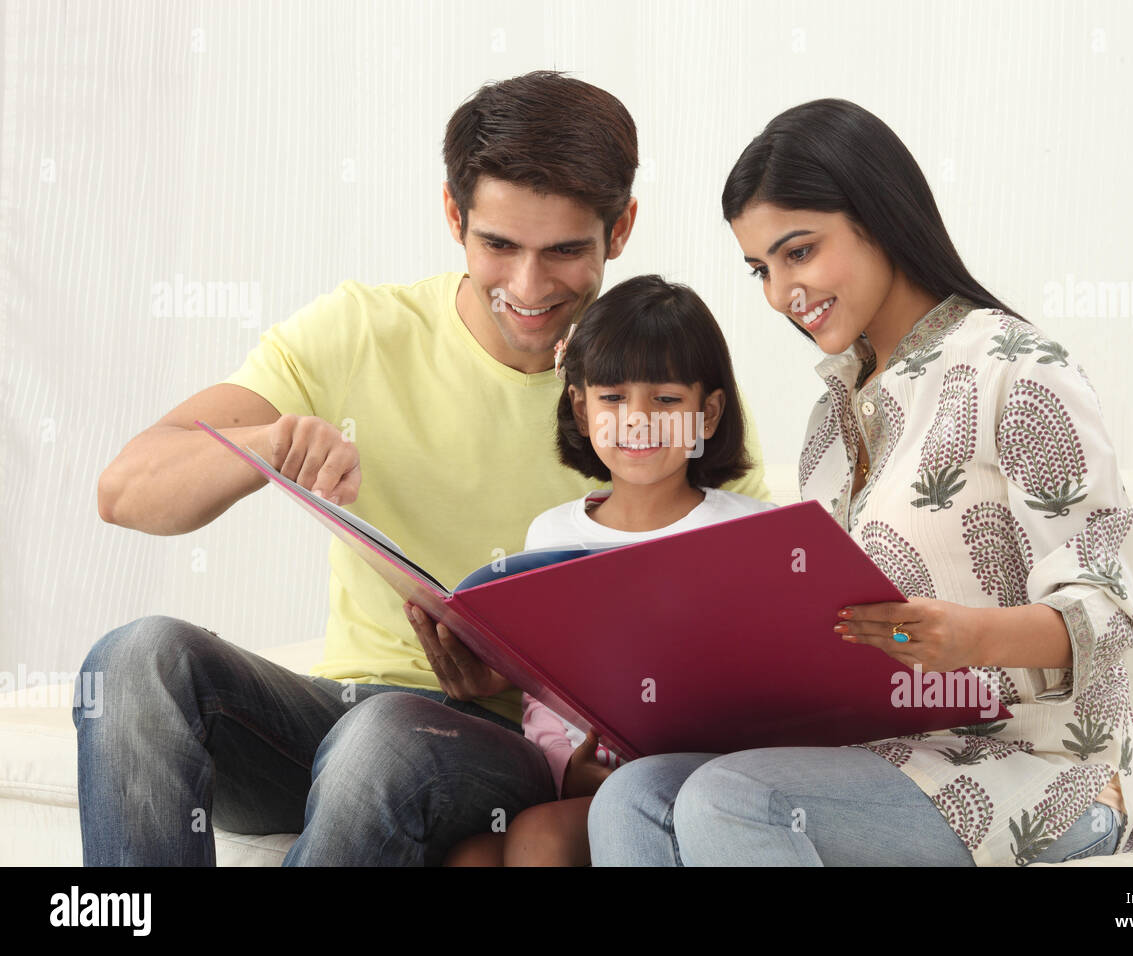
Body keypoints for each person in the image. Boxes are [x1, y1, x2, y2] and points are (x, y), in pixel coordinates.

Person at [77, 72, 770, 866]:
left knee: (387, 736)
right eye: (499, 246)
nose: (530, 288)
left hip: (514, 748)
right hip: (331, 721)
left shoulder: (662, 398)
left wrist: (549, 678)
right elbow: (125, 491)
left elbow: (728, 658)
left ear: (622, 229)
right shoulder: (358, 332)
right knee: (137, 658)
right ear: (453, 215)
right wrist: (269, 447)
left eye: (566, 252)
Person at [588, 99, 1133, 867]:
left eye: (800, 252)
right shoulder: (831, 418)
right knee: (636, 795)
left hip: (1035, 772)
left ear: (878, 217)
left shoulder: (1018, 368)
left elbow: (1108, 612)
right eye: (761, 269)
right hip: (877, 760)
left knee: (734, 798)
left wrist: (968, 637)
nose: (782, 291)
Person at [432, 275, 775, 866]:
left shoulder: (752, 532)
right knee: (471, 857)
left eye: (666, 400)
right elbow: (545, 697)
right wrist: (570, 770)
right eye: (613, 398)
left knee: (540, 838)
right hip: (584, 780)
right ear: (581, 408)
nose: (637, 420)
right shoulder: (551, 535)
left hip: (703, 781)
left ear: (708, 413)